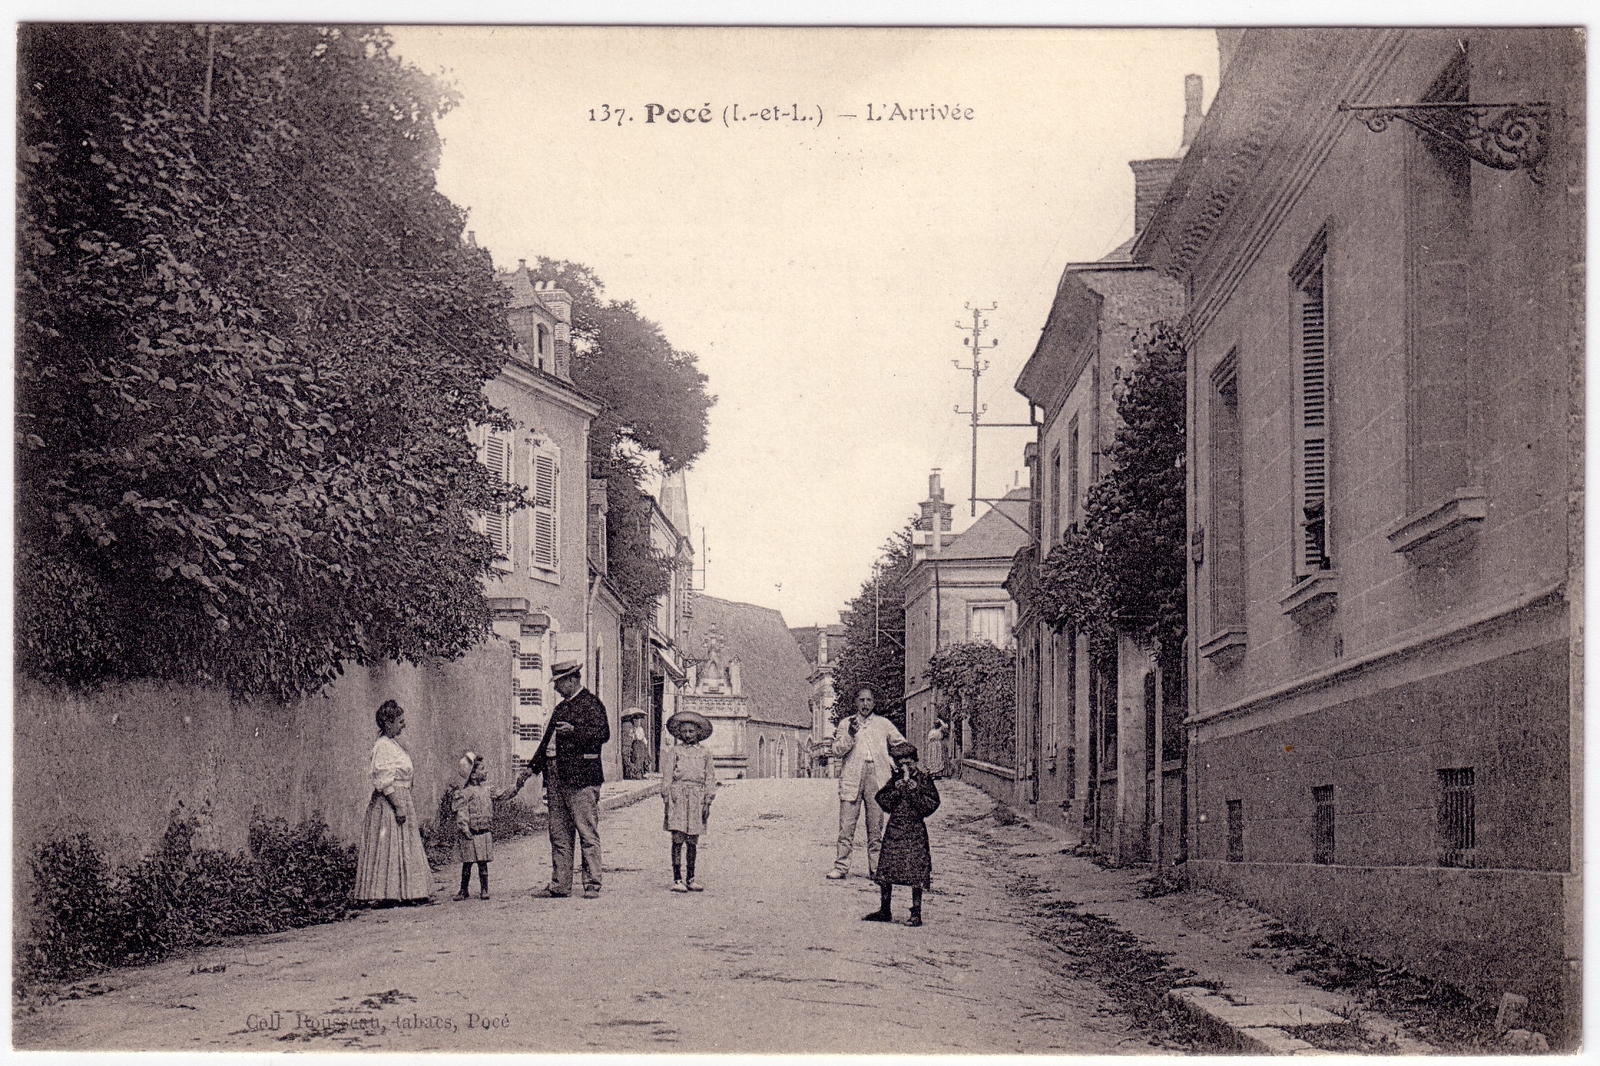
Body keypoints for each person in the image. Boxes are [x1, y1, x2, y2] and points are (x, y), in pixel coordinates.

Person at [527, 660, 610, 899]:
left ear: (572, 680)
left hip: (583, 778)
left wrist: (574, 731)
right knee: (559, 833)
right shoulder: (560, 708)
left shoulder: (592, 704)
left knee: (586, 831)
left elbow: (603, 734)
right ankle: (560, 884)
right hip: (556, 777)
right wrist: (531, 769)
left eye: (559, 683)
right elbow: (546, 743)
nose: (556, 688)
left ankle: (592, 883)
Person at [354, 700, 433, 905]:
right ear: (388, 723)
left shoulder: (393, 744)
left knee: (403, 846)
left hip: (401, 796)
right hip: (390, 801)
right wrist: (398, 804)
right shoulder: (382, 747)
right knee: (390, 846)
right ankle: (388, 894)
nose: (403, 725)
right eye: (400, 722)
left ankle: (407, 892)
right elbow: (383, 779)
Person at [826, 685, 906, 881]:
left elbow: (901, 744)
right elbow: (836, 750)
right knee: (846, 826)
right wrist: (850, 735)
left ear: (874, 702)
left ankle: (876, 868)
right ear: (856, 702)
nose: (865, 704)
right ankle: (841, 866)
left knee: (875, 827)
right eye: (861, 700)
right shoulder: (847, 724)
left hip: (877, 778)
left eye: (869, 700)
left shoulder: (883, 724)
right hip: (853, 777)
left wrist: (904, 764)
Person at [864, 740, 942, 926]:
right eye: (901, 764)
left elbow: (932, 804)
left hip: (915, 830)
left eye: (909, 763)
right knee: (887, 869)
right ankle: (885, 909)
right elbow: (882, 800)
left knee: (916, 870)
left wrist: (914, 793)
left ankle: (916, 912)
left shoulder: (923, 780)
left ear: (915, 762)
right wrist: (897, 792)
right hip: (895, 828)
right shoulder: (895, 780)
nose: (905, 767)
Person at [450, 751, 529, 901]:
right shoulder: (465, 793)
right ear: (473, 775)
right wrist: (464, 828)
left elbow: (503, 794)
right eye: (482, 769)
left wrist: (517, 786)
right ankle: (463, 889)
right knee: (467, 864)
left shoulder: (487, 790)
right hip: (470, 834)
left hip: (484, 833)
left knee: (483, 864)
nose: (486, 771)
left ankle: (484, 889)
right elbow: (461, 812)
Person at [659, 710, 716, 892]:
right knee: (678, 837)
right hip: (678, 797)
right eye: (684, 732)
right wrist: (667, 797)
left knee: (692, 839)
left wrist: (707, 801)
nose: (688, 735)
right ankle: (677, 879)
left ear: (698, 732)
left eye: (691, 731)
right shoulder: (675, 751)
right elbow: (667, 775)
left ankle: (691, 878)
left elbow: (709, 778)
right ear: (679, 733)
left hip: (697, 798)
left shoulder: (705, 753)